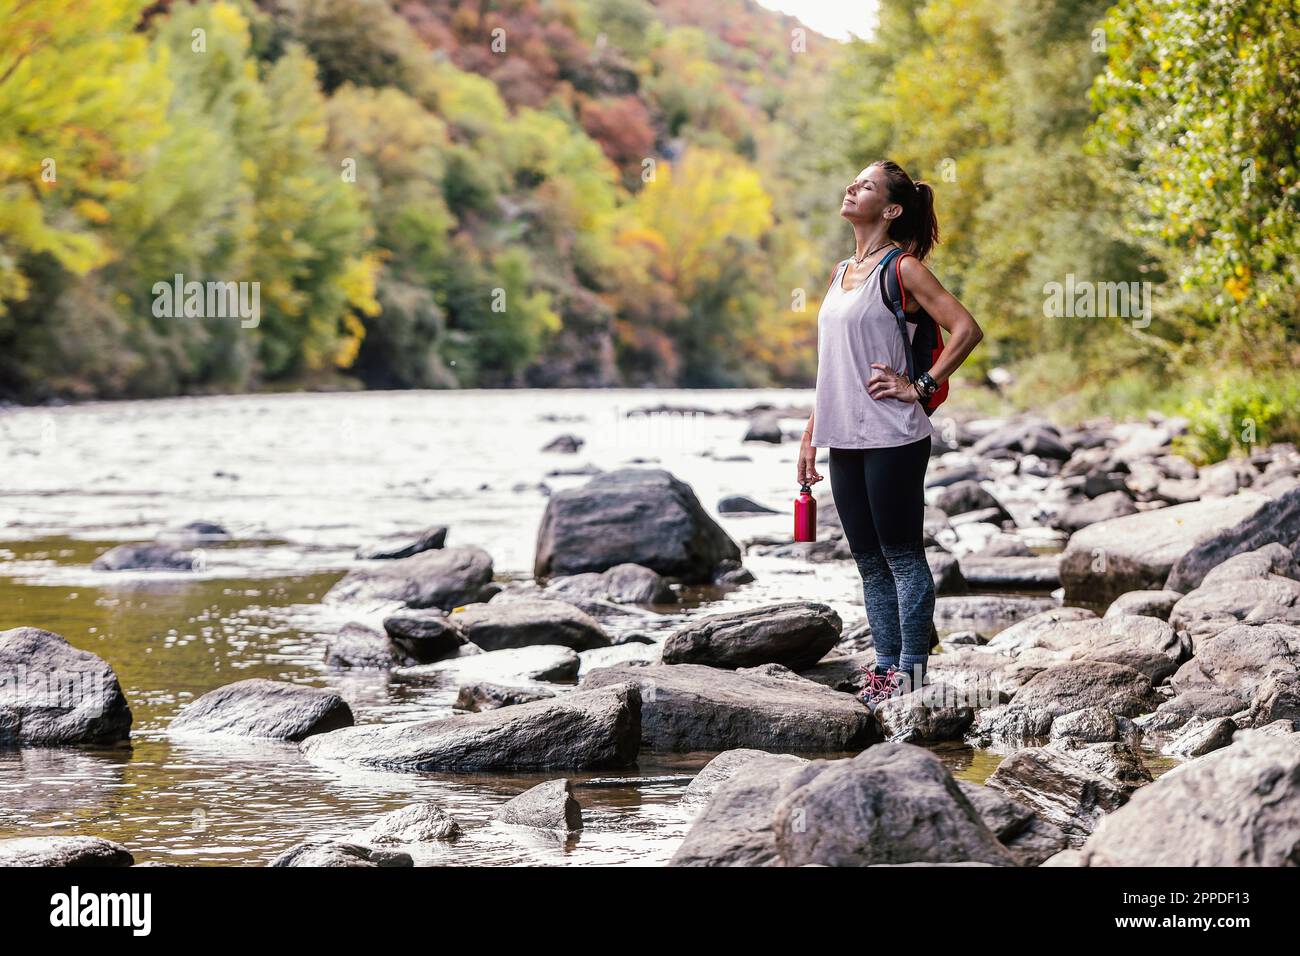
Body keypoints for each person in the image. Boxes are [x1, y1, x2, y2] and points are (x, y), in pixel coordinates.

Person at [797, 160, 983, 709]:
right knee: (868, 560)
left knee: (902, 557)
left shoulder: (903, 270)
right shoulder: (838, 273)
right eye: (853, 181)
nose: (852, 188)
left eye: (867, 185)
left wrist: (921, 384)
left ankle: (911, 676)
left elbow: (967, 328)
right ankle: (883, 670)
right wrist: (811, 434)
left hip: (893, 435)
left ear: (892, 209)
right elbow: (831, 363)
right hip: (843, 438)